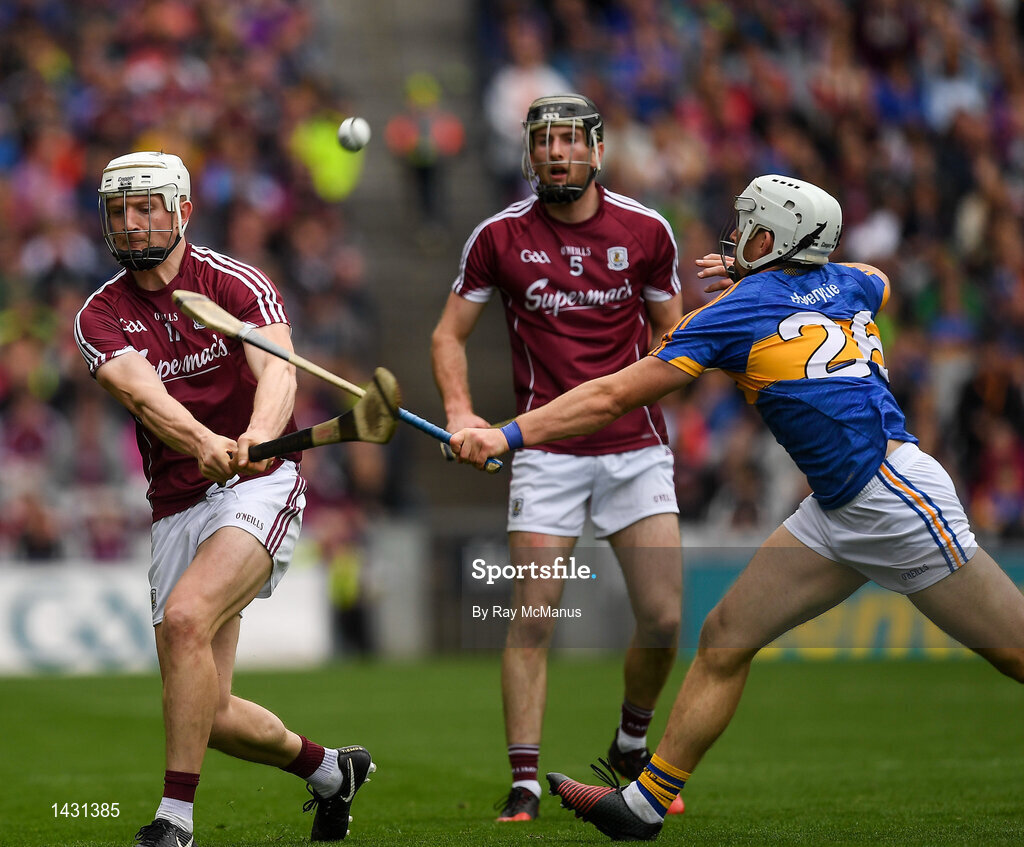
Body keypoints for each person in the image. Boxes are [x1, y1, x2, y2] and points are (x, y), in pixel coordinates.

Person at [452, 173, 1024, 840]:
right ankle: (643, 805)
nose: (735, 237)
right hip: (842, 503)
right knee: (725, 635)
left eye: (749, 228)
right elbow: (875, 276)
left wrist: (508, 432)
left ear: (776, 239)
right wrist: (783, 267)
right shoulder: (849, 284)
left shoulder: (736, 311)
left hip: (893, 494)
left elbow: (612, 396)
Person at [73, 151, 375, 847]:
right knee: (206, 709)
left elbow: (277, 371)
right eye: (119, 209)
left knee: (185, 619)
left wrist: (256, 436)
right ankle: (331, 771)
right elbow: (140, 393)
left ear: (181, 210)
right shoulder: (101, 313)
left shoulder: (235, 282)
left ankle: (173, 821)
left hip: (259, 485)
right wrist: (202, 438)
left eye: (146, 206)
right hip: (178, 502)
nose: (131, 221)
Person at [431, 94, 686, 822]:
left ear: (597, 150)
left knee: (665, 620)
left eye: (571, 141)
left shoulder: (646, 231)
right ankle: (522, 781)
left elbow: (674, 338)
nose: (557, 152)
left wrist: (632, 388)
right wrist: (459, 412)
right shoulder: (498, 237)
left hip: (636, 448)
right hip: (544, 455)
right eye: (545, 141)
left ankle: (632, 743)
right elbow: (449, 335)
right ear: (529, 153)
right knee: (535, 617)